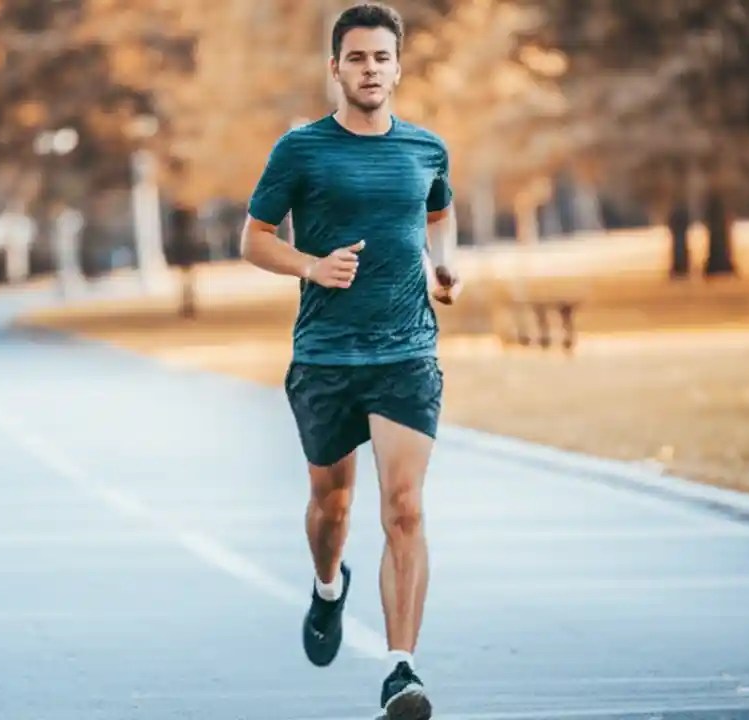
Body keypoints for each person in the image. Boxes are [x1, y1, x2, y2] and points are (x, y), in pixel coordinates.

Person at [238, 3, 459, 718]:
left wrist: (443, 265)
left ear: (399, 66)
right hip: (327, 356)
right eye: (357, 58)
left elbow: (438, 211)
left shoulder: (426, 148)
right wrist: (311, 266)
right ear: (335, 67)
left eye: (382, 58)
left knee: (405, 507)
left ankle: (402, 671)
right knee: (332, 506)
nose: (370, 70)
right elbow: (254, 238)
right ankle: (329, 587)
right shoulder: (301, 149)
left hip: (407, 353)